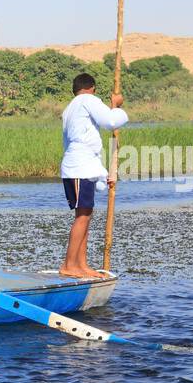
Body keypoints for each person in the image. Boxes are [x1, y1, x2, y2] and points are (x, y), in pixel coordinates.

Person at [60, 72, 128, 280]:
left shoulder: (70, 107)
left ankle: (81, 265)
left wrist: (101, 173)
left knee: (85, 214)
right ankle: (69, 265)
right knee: (82, 217)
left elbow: (86, 141)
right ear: (93, 88)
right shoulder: (88, 100)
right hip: (79, 167)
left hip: (80, 166)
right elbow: (109, 121)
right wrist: (116, 105)